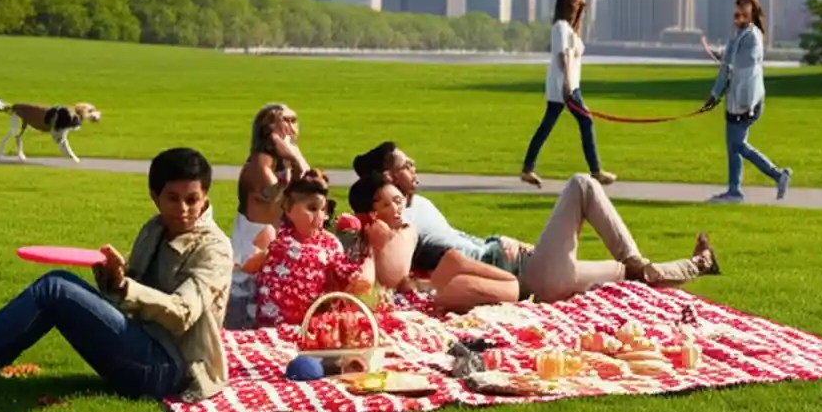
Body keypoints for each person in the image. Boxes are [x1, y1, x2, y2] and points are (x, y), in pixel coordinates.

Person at [0, 147, 234, 403]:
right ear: (154, 196)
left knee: (56, 288)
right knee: (58, 288)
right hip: (142, 347)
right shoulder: (154, 228)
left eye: (193, 199)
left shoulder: (214, 249)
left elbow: (183, 313)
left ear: (205, 199)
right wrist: (113, 278)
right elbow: (133, 293)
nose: (184, 209)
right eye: (173, 198)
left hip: (170, 372)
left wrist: (126, 287)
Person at [356, 142, 720, 304]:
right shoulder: (404, 218)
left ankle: (700, 264)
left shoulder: (420, 205)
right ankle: (635, 258)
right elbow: (394, 265)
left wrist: (504, 239)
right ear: (387, 177)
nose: (414, 166)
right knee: (582, 184)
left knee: (629, 276)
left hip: (531, 266)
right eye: (405, 165)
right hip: (525, 276)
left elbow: (464, 242)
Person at [347, 175, 520, 312]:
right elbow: (386, 276)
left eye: (398, 201)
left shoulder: (407, 231)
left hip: (437, 278)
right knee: (509, 288)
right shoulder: (377, 233)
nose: (396, 209)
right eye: (386, 205)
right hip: (426, 289)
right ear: (372, 213)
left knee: (510, 286)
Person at [701, 0, 793, 204]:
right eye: (737, 10)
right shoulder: (740, 34)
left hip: (746, 103)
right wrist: (717, 89)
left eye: (744, 11)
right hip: (739, 101)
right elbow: (728, 65)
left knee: (737, 146)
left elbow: (736, 70)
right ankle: (735, 190)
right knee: (733, 146)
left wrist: (716, 93)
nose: (739, 15)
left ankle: (778, 175)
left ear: (751, 14)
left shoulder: (751, 37)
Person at [520, 0, 617, 188]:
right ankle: (596, 171)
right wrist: (566, 85)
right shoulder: (561, 27)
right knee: (586, 121)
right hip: (565, 86)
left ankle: (527, 169)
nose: (581, 0)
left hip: (569, 86)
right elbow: (563, 56)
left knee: (547, 127)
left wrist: (582, 9)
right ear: (568, 3)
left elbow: (572, 48)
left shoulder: (568, 28)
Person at [254, 170, 375, 327]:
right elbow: (247, 266)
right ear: (289, 210)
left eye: (323, 210)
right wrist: (261, 252)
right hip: (269, 324)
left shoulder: (329, 244)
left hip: (307, 326)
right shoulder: (276, 236)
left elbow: (349, 276)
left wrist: (366, 267)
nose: (319, 216)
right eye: (312, 209)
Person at [227, 103, 310, 328]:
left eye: (295, 120)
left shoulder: (283, 164)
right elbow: (276, 195)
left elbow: (312, 193)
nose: (293, 127)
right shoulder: (258, 163)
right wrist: (295, 159)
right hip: (245, 271)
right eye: (286, 120)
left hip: (268, 261)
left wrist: (295, 159)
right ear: (268, 129)